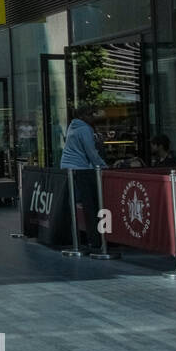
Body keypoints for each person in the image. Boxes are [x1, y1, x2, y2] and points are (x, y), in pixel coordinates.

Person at [60, 106, 106, 248]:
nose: (93, 116)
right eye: (91, 113)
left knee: (77, 203)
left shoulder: (73, 127)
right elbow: (91, 153)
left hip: (69, 168)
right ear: (84, 116)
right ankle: (95, 239)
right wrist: (103, 166)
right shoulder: (85, 129)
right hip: (81, 170)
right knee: (90, 205)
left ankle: (80, 238)